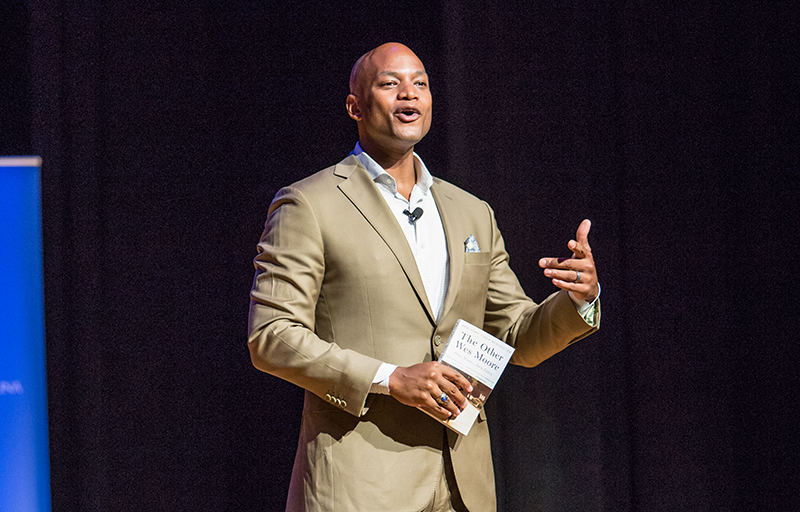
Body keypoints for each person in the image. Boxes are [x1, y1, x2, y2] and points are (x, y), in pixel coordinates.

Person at [247, 42, 600, 512]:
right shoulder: (309, 204)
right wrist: (390, 379)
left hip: (461, 486)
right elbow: (272, 336)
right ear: (355, 106)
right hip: (360, 486)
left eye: (420, 83)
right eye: (389, 84)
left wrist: (578, 300)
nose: (409, 94)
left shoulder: (471, 212)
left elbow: (516, 334)